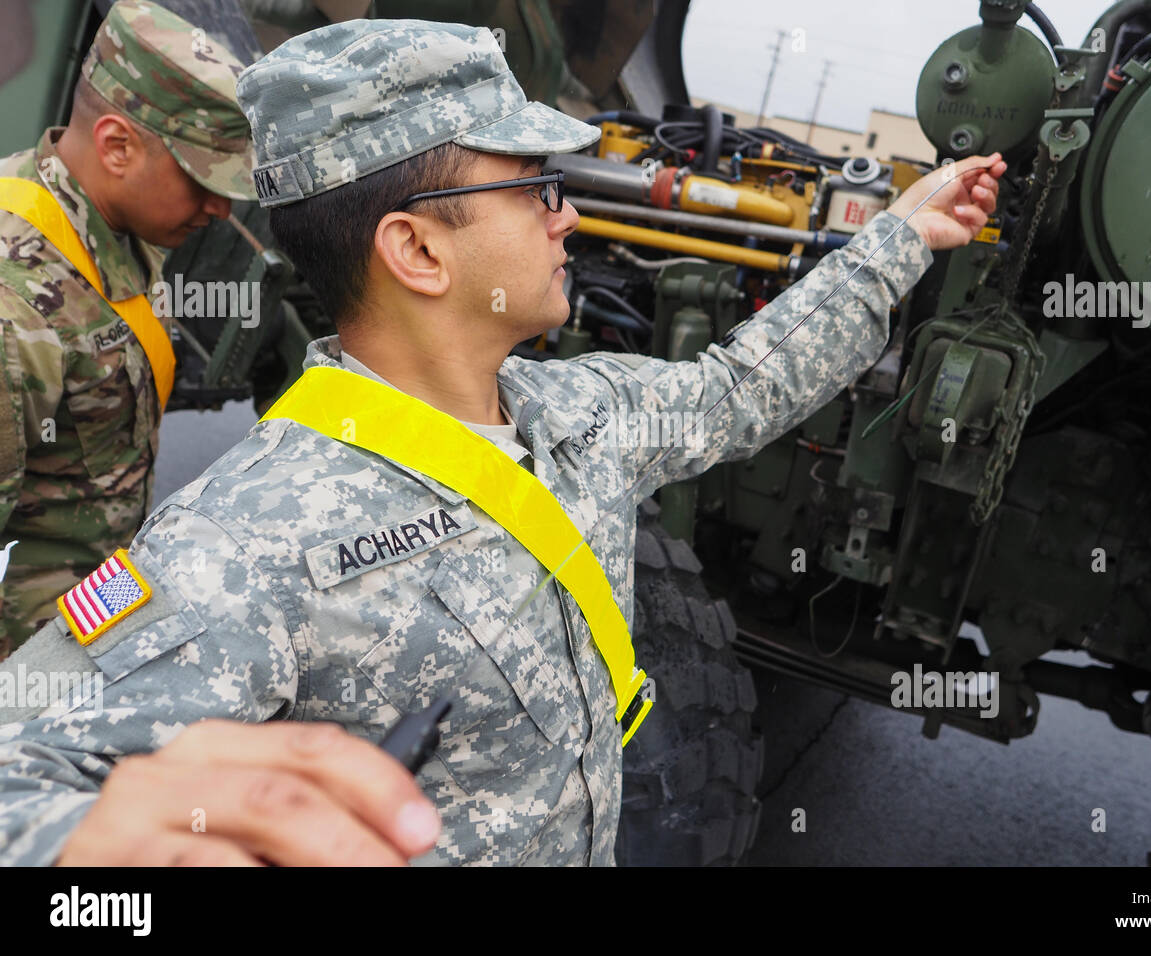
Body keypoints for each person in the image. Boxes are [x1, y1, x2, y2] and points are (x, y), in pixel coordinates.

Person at [0, 18, 1004, 866]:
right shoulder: (246, 546)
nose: (566, 220)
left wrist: (901, 237)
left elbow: (738, 387)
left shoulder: (577, 409)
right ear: (418, 249)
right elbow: (23, 776)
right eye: (534, 188)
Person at [0, 0, 255, 657]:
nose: (220, 207)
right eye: (201, 180)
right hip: (28, 674)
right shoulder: (15, 314)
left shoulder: (108, 224)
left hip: (88, 618)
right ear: (117, 146)